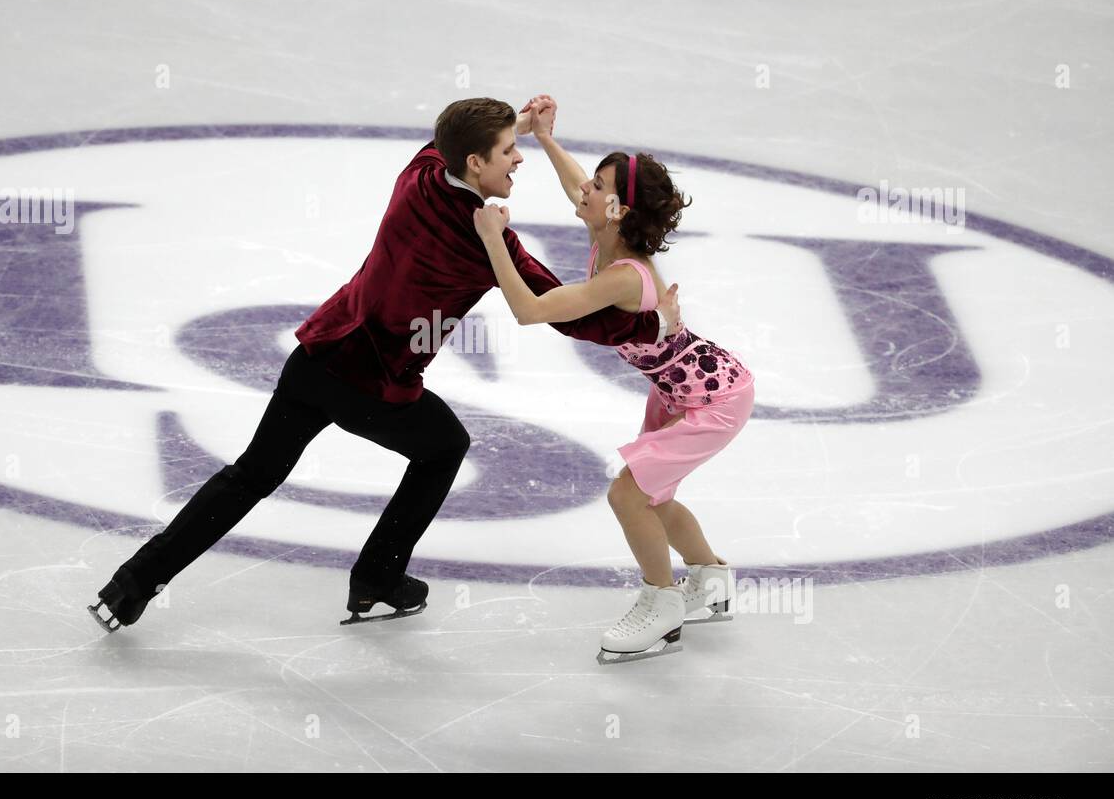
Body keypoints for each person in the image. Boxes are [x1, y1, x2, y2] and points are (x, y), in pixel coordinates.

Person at [89, 96, 681, 631]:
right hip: (373, 385)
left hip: (319, 353)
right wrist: (645, 318)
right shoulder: (486, 236)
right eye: (508, 151)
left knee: (250, 475)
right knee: (443, 447)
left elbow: (445, 142)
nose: (518, 159)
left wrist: (521, 126)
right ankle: (377, 576)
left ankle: (131, 586)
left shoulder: (419, 173)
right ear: (476, 164)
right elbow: (569, 315)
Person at [472, 99, 754, 658]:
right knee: (657, 497)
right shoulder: (611, 236)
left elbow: (530, 311)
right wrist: (548, 140)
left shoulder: (624, 276)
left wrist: (491, 238)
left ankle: (662, 601)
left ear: (619, 209)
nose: (584, 191)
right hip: (681, 391)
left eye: (598, 187)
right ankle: (710, 579)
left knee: (628, 496)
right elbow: (577, 184)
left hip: (714, 401)